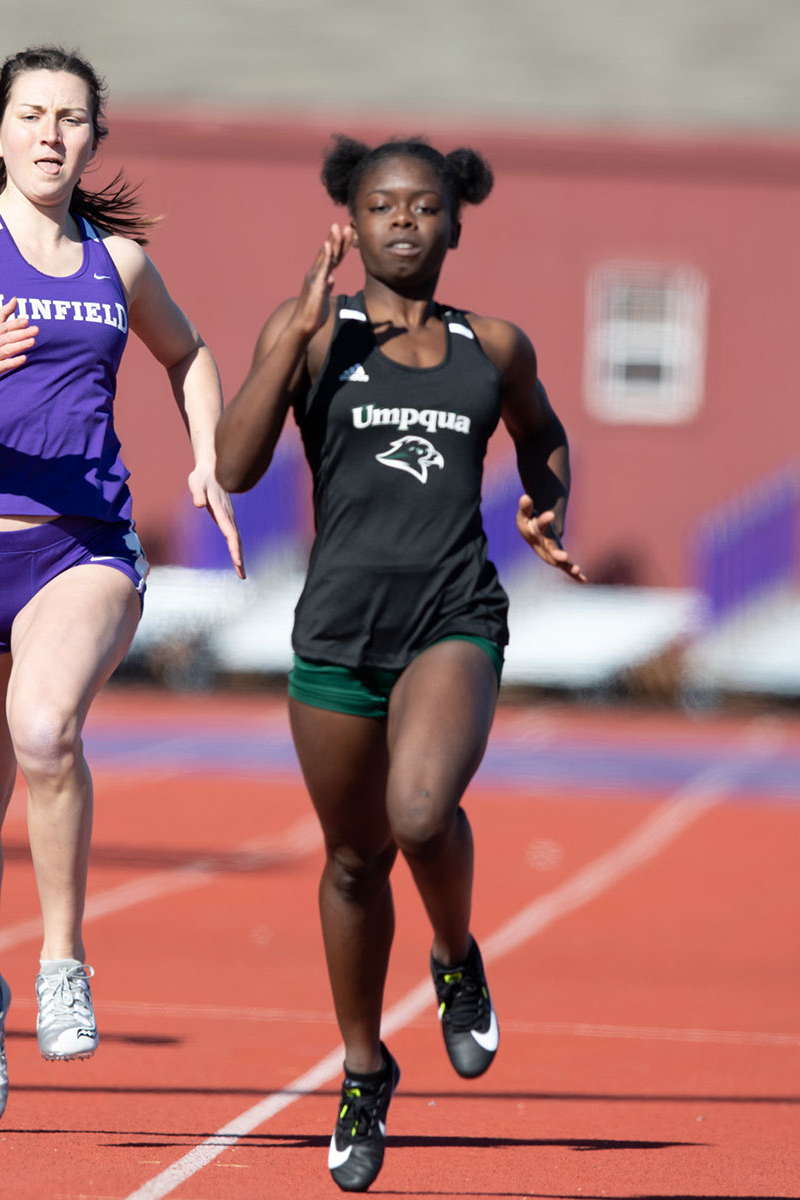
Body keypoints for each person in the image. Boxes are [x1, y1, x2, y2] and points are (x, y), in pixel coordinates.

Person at [0, 46, 243, 1130]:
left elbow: (191, 354)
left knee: (45, 733)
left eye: (71, 118)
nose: (49, 134)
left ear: (93, 140)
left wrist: (207, 455)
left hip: (82, 544)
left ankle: (64, 960)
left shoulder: (115, 266)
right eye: (31, 115)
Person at [216, 135, 586, 1191]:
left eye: (424, 206)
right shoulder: (316, 335)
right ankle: (366, 1067)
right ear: (352, 217)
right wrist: (288, 336)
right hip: (336, 632)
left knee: (420, 812)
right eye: (383, 206)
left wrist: (546, 503)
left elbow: (544, 434)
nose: (404, 222)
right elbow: (236, 467)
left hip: (451, 618)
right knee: (350, 861)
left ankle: (457, 958)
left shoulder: (492, 345)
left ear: (454, 220)